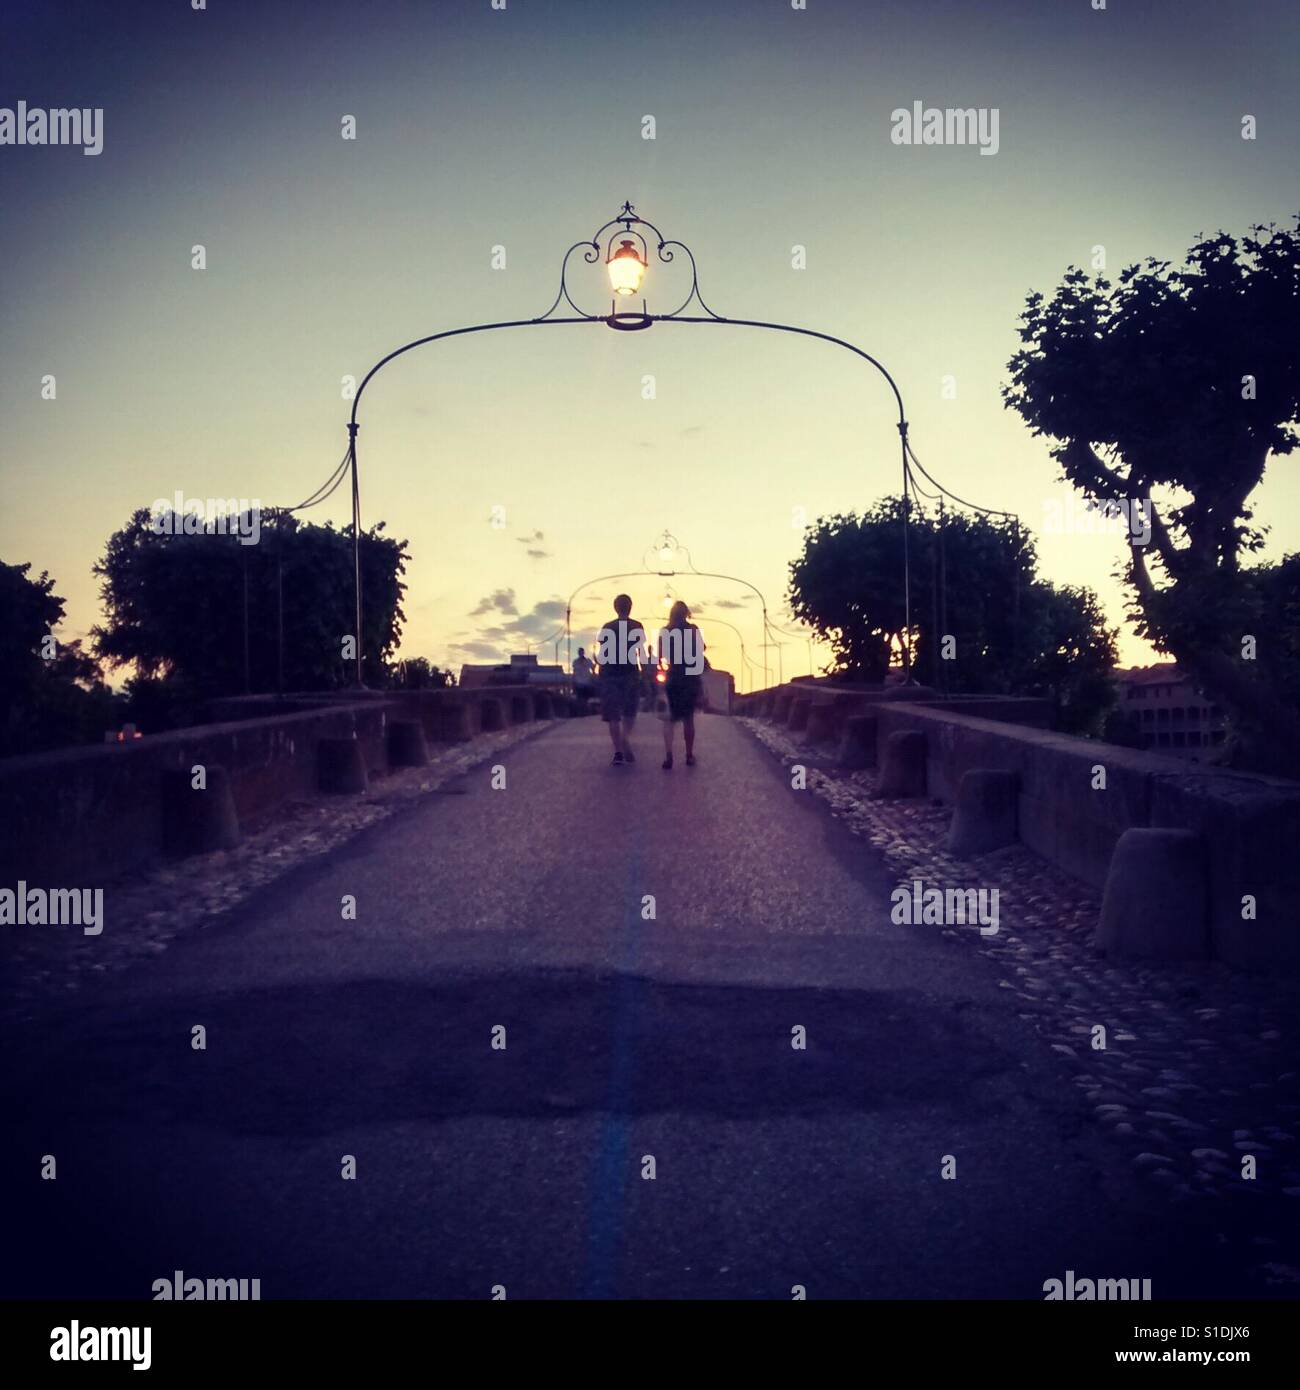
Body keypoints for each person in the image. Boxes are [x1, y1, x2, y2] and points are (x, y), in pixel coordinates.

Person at [596, 594, 646, 767]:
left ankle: (618, 752)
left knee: (613, 715)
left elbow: (602, 654)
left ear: (615, 608)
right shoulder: (637, 626)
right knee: (629, 712)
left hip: (610, 674)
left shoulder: (607, 627)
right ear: (630, 607)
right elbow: (640, 652)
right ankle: (625, 738)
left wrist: (599, 672)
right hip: (630, 673)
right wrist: (645, 673)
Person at [657, 599, 705, 770]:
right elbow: (701, 649)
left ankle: (669, 755)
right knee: (688, 719)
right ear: (686, 614)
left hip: (673, 676)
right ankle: (689, 755)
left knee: (669, 720)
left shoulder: (665, 631)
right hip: (690, 677)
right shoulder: (693, 630)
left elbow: (661, 655)